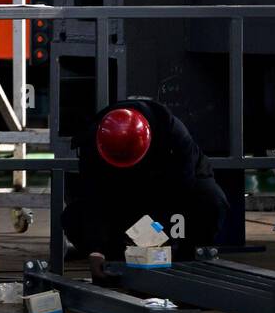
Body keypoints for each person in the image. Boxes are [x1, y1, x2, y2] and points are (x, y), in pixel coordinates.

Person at [62, 98, 229, 281]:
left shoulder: (174, 134)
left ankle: (191, 260)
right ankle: (118, 261)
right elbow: (93, 199)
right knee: (74, 217)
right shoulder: (92, 142)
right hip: (122, 191)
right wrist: (96, 250)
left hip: (168, 186)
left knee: (212, 200)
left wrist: (156, 232)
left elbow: (181, 186)